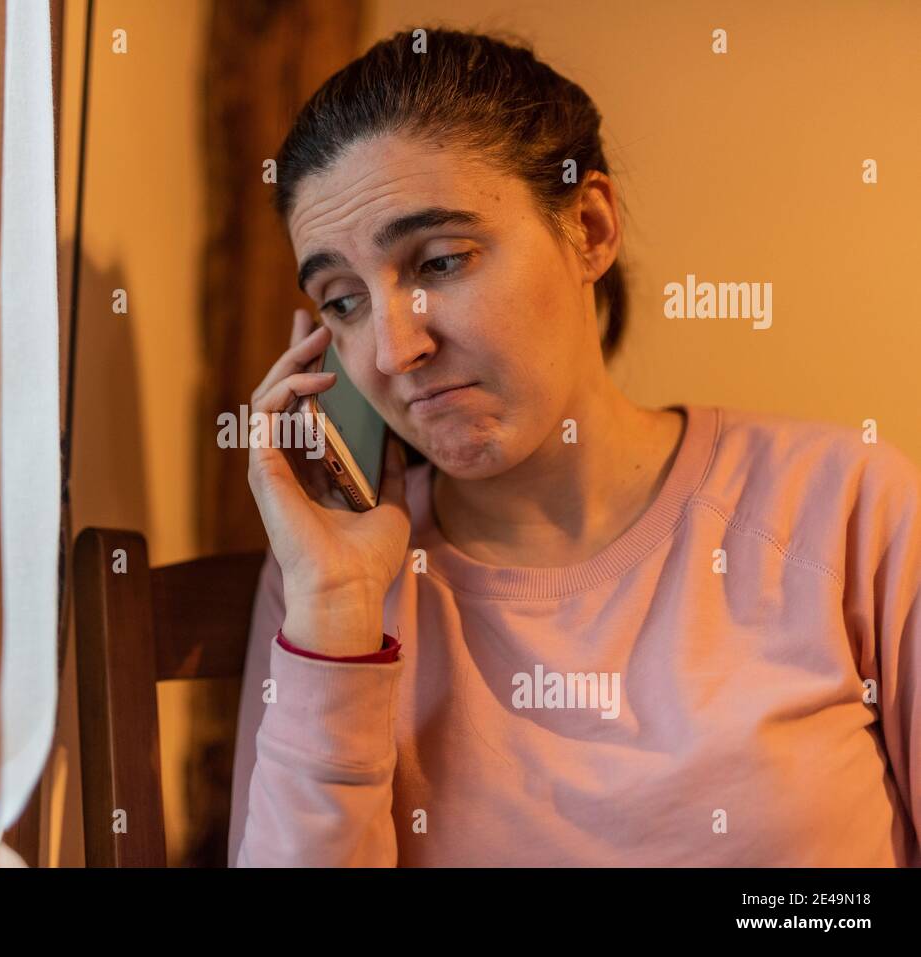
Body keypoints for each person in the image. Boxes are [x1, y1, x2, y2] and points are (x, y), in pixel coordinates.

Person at [227, 28, 920, 866]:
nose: (388, 348)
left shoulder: (850, 507)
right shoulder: (334, 586)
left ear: (589, 228)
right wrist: (336, 620)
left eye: (441, 261)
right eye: (342, 302)